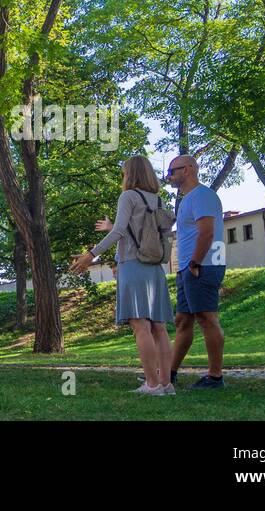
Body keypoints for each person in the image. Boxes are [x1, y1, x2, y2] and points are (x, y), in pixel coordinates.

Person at [71, 155, 175, 395]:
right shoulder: (156, 199)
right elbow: (137, 231)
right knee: (159, 327)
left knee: (141, 326)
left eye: (124, 172)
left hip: (133, 265)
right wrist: (112, 228)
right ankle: (166, 383)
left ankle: (151, 384)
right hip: (155, 267)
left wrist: (90, 255)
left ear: (130, 174)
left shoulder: (128, 196)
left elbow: (119, 232)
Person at [167, 153, 226, 389]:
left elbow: (207, 233)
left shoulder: (203, 196)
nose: (169, 176)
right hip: (187, 268)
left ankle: (215, 377)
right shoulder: (186, 200)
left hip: (203, 266)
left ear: (188, 170)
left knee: (207, 318)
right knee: (182, 320)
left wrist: (194, 263)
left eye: (173, 171)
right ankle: (169, 374)